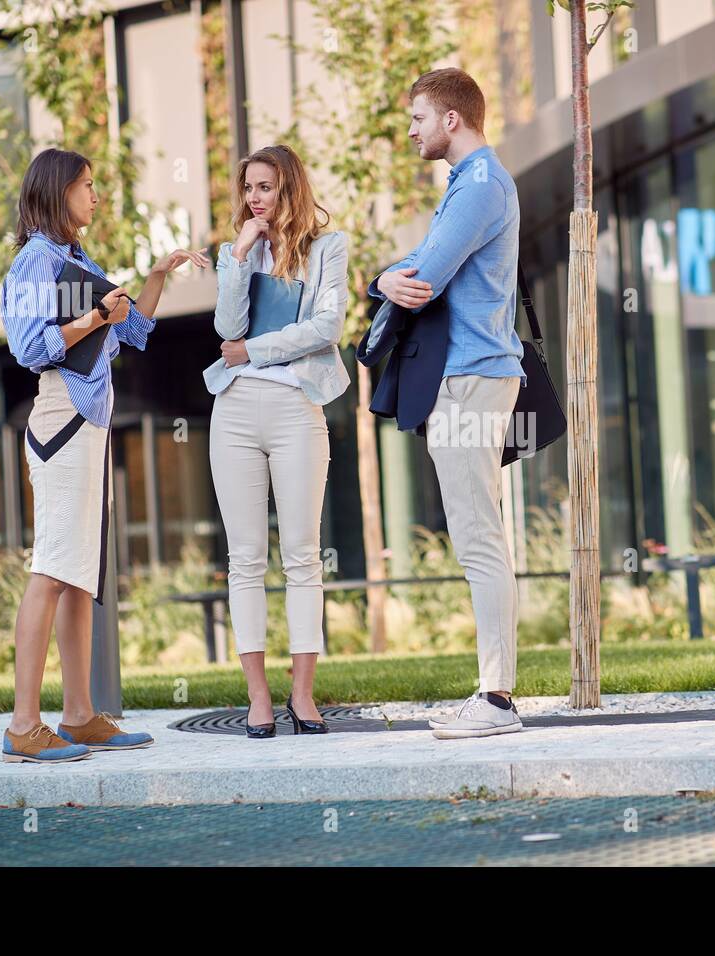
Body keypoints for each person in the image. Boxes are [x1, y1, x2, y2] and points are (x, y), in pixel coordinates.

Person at [0, 147, 209, 763]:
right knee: (52, 569)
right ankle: (22, 727)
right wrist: (94, 316)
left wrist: (154, 277)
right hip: (62, 419)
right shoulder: (36, 260)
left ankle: (80, 716)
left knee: (78, 577)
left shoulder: (75, 259)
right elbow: (29, 347)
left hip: (89, 424)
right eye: (86, 185)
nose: (96, 195)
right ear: (57, 190)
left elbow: (134, 333)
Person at [368, 69, 527, 739]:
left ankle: (495, 701)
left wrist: (384, 276)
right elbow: (421, 265)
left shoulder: (481, 186)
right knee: (477, 536)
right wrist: (386, 276)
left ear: (452, 120)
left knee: (478, 539)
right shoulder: (472, 186)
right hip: (467, 376)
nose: (411, 131)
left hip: (469, 378)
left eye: (418, 118)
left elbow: (423, 279)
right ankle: (493, 694)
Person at [204, 145, 351, 738]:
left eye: (265, 187)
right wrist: (237, 259)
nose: (254, 198)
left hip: (296, 406)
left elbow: (327, 326)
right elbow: (225, 330)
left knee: (301, 556)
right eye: (248, 188)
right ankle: (258, 698)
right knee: (244, 560)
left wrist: (255, 352)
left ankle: (304, 695)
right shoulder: (235, 251)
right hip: (235, 410)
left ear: (289, 187)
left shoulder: (327, 247)